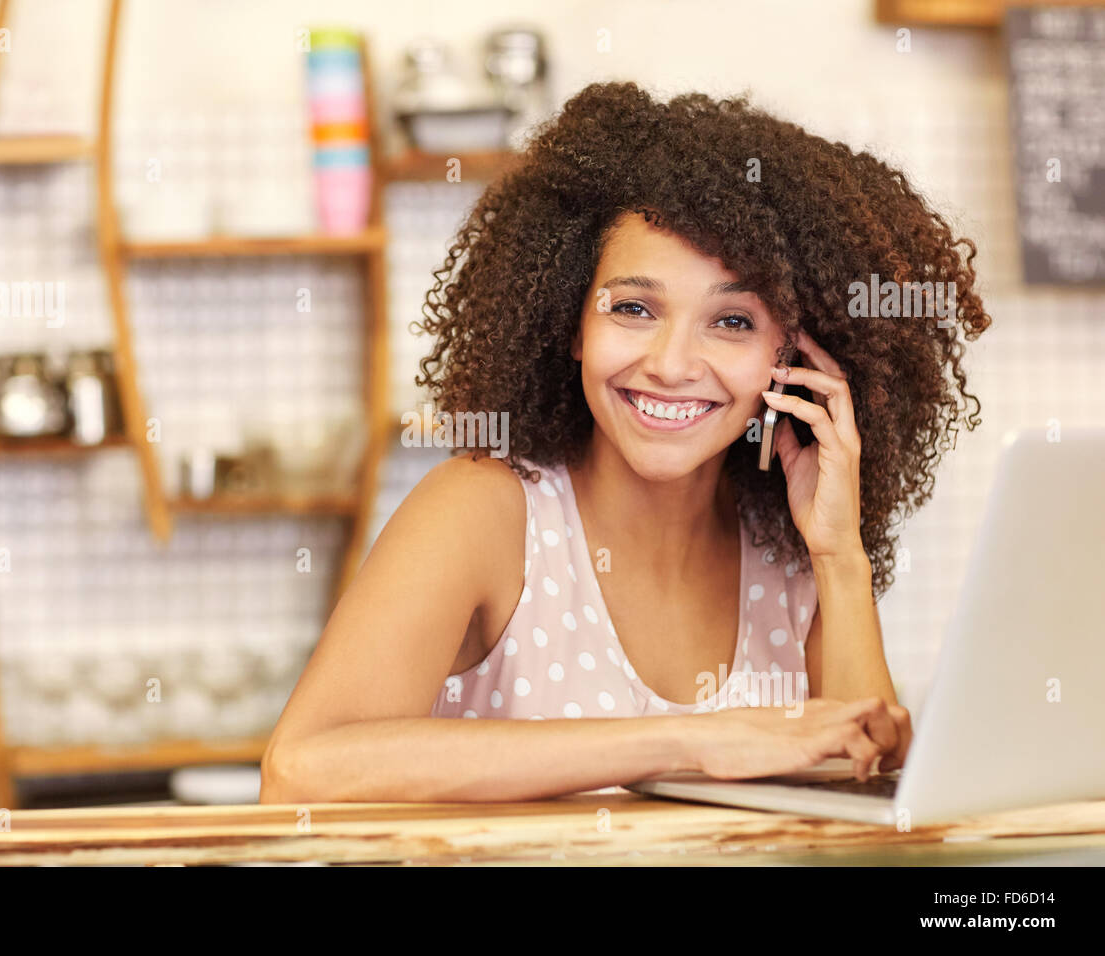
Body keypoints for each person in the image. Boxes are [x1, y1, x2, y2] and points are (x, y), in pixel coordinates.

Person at [260, 82, 992, 803]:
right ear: (571, 324)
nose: (672, 364)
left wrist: (840, 556)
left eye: (732, 321)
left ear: (791, 357)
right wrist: (686, 744)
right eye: (634, 308)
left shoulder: (795, 550)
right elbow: (301, 769)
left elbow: (875, 810)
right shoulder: (485, 510)